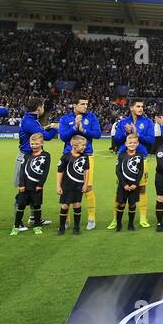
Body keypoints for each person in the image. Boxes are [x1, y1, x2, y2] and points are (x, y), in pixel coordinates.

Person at [109, 98, 156, 228]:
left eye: (142, 106)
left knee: (141, 188)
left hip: (141, 159)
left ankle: (143, 218)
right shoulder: (123, 122)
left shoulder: (147, 122)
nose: (141, 108)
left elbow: (152, 141)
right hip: (124, 159)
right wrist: (126, 133)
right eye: (138, 106)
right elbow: (117, 141)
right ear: (131, 108)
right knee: (120, 189)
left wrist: (137, 134)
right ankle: (115, 219)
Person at [14, 98, 59, 234]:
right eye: (43, 106)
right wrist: (55, 129)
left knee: (35, 189)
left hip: (33, 157)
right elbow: (45, 136)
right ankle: (18, 222)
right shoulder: (30, 121)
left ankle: (34, 218)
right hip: (26, 158)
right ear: (39, 108)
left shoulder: (30, 119)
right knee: (22, 191)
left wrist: (46, 128)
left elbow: (38, 132)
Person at [58, 98, 102, 229]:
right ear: (74, 105)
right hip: (68, 156)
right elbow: (63, 137)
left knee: (87, 187)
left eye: (87, 104)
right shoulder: (65, 119)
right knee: (67, 188)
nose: (85, 106)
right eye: (82, 104)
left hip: (87, 155)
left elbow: (98, 134)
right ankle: (66, 220)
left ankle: (91, 218)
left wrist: (83, 130)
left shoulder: (91, 117)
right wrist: (74, 127)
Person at [12, 131, 50, 235]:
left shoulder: (46, 155)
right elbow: (22, 171)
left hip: (36, 186)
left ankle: (37, 226)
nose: (34, 146)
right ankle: (16, 226)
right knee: (21, 206)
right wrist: (21, 184)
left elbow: (45, 172)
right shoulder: (27, 155)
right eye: (32, 144)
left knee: (37, 206)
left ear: (42, 143)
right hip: (25, 186)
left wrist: (40, 184)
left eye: (37, 144)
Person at [114, 131, 144, 232]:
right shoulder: (121, 155)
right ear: (126, 144)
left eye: (134, 143)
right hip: (123, 186)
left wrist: (136, 184)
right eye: (130, 143)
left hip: (134, 186)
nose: (132, 145)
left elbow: (140, 171)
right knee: (121, 204)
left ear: (138, 144)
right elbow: (118, 171)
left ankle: (131, 224)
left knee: (132, 204)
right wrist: (124, 184)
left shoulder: (139, 156)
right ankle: (119, 224)